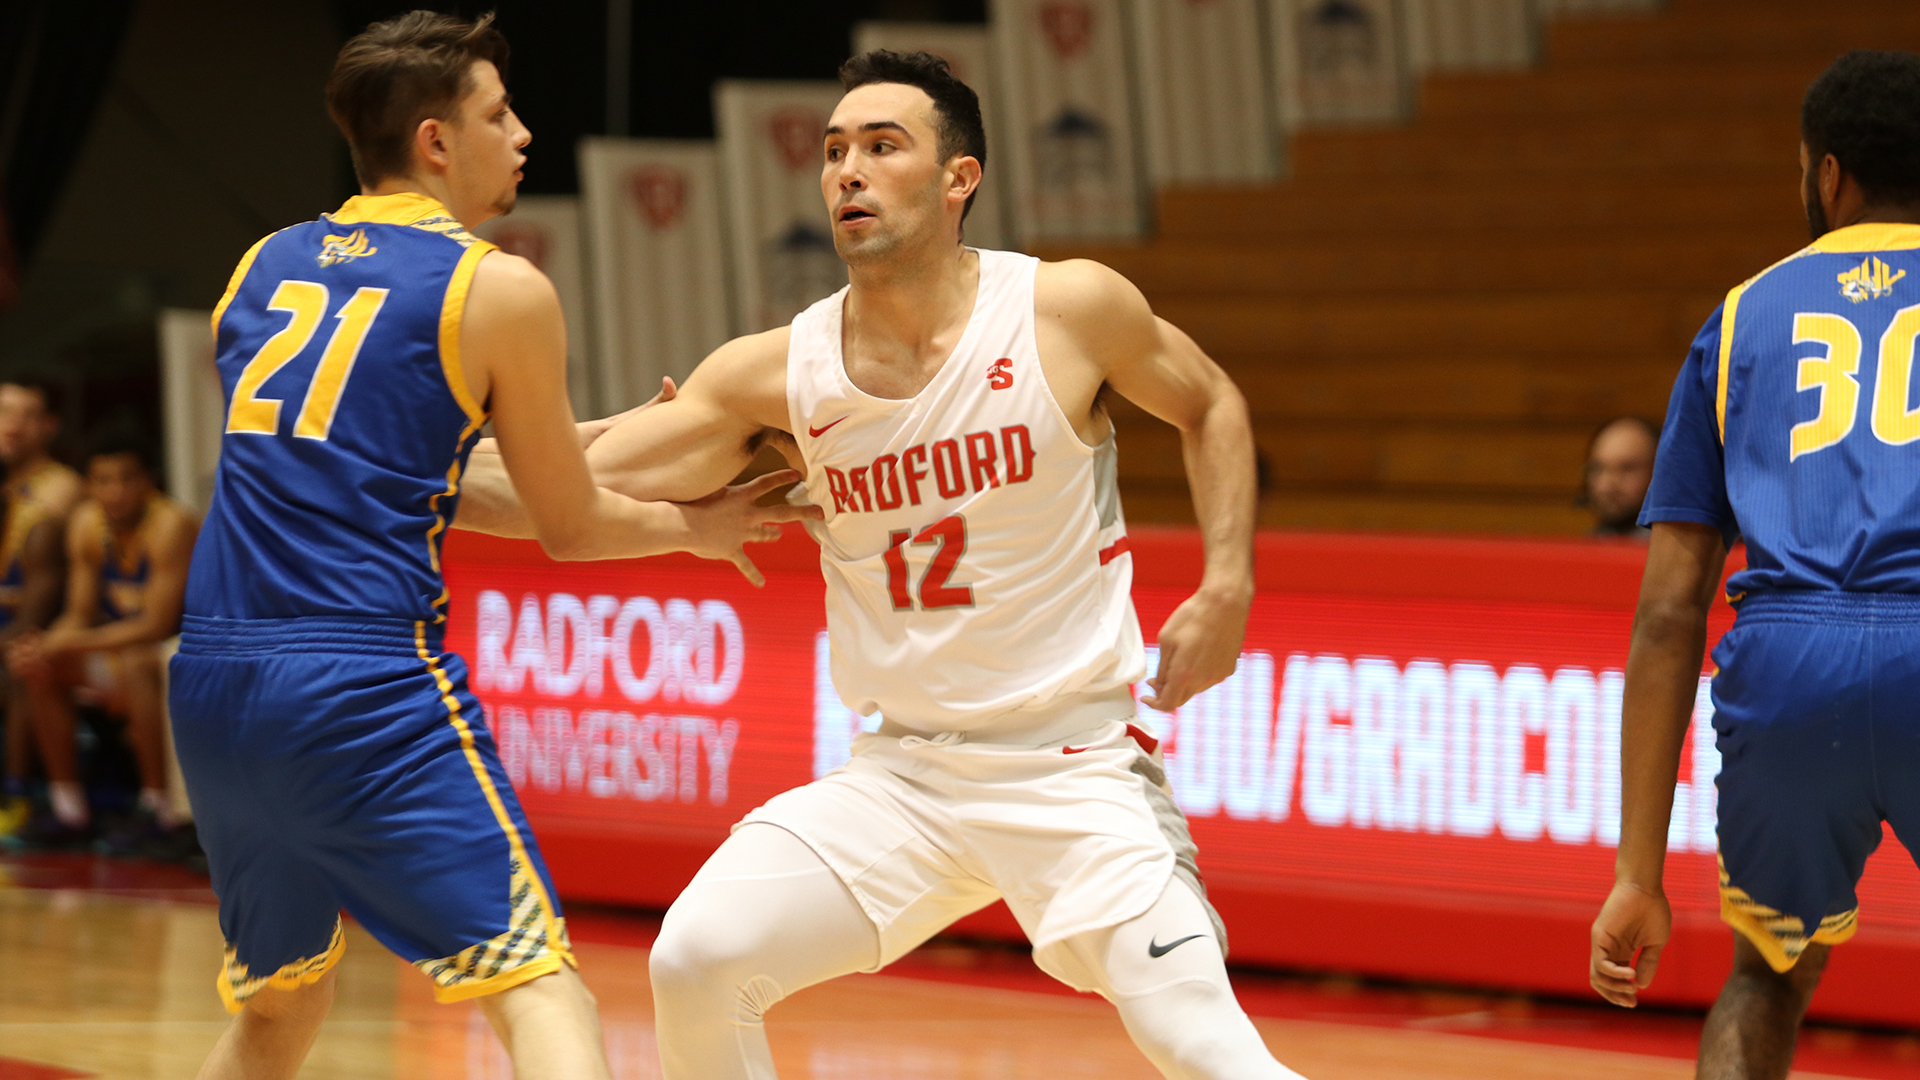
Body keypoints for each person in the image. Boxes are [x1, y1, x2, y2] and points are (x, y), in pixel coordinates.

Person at [459, 50, 1301, 1080]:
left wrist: (1227, 586)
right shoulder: (774, 374)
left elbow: (1211, 402)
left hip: (1071, 767)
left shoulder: (1066, 311)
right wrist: (392, 462)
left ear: (960, 179)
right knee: (697, 957)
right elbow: (561, 485)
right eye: (833, 151)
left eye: (882, 146)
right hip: (902, 774)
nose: (847, 171)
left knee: (1207, 1051)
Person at [168, 13, 813, 1080]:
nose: (520, 134)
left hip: (215, 686)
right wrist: (698, 529)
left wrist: (604, 438)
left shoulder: (259, 268)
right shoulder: (498, 287)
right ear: (435, 141)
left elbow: (424, 472)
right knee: (537, 986)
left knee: (283, 1005)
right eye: (497, 113)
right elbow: (568, 526)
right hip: (362, 678)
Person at [1590, 51, 1920, 1080]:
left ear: (1829, 176)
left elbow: (1667, 611)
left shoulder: (1739, 317)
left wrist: (1637, 873)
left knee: (1766, 979)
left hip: (1787, 665)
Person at [6, 435, 196, 848]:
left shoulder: (171, 524)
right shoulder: (87, 523)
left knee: (138, 660)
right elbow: (78, 612)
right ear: (89, 485)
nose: (115, 492)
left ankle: (158, 808)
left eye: (127, 479)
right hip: (121, 651)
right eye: (103, 481)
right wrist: (46, 645)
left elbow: (156, 625)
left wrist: (68, 644)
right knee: (39, 663)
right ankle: (68, 809)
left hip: (183, 659)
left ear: (149, 482)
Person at [0, 486, 65, 837]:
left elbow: (32, 621)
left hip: (28, 647)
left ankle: (17, 794)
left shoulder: (36, 530)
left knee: (23, 663)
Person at [0, 380, 82, 522]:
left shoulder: (62, 484)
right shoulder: (7, 480)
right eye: (4, 412)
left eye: (28, 415)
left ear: (51, 425)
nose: (12, 428)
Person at [1583, 416, 1658, 538]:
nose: (1607, 486)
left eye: (1626, 469)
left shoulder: (1678, 555)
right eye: (1598, 469)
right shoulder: (1584, 549)